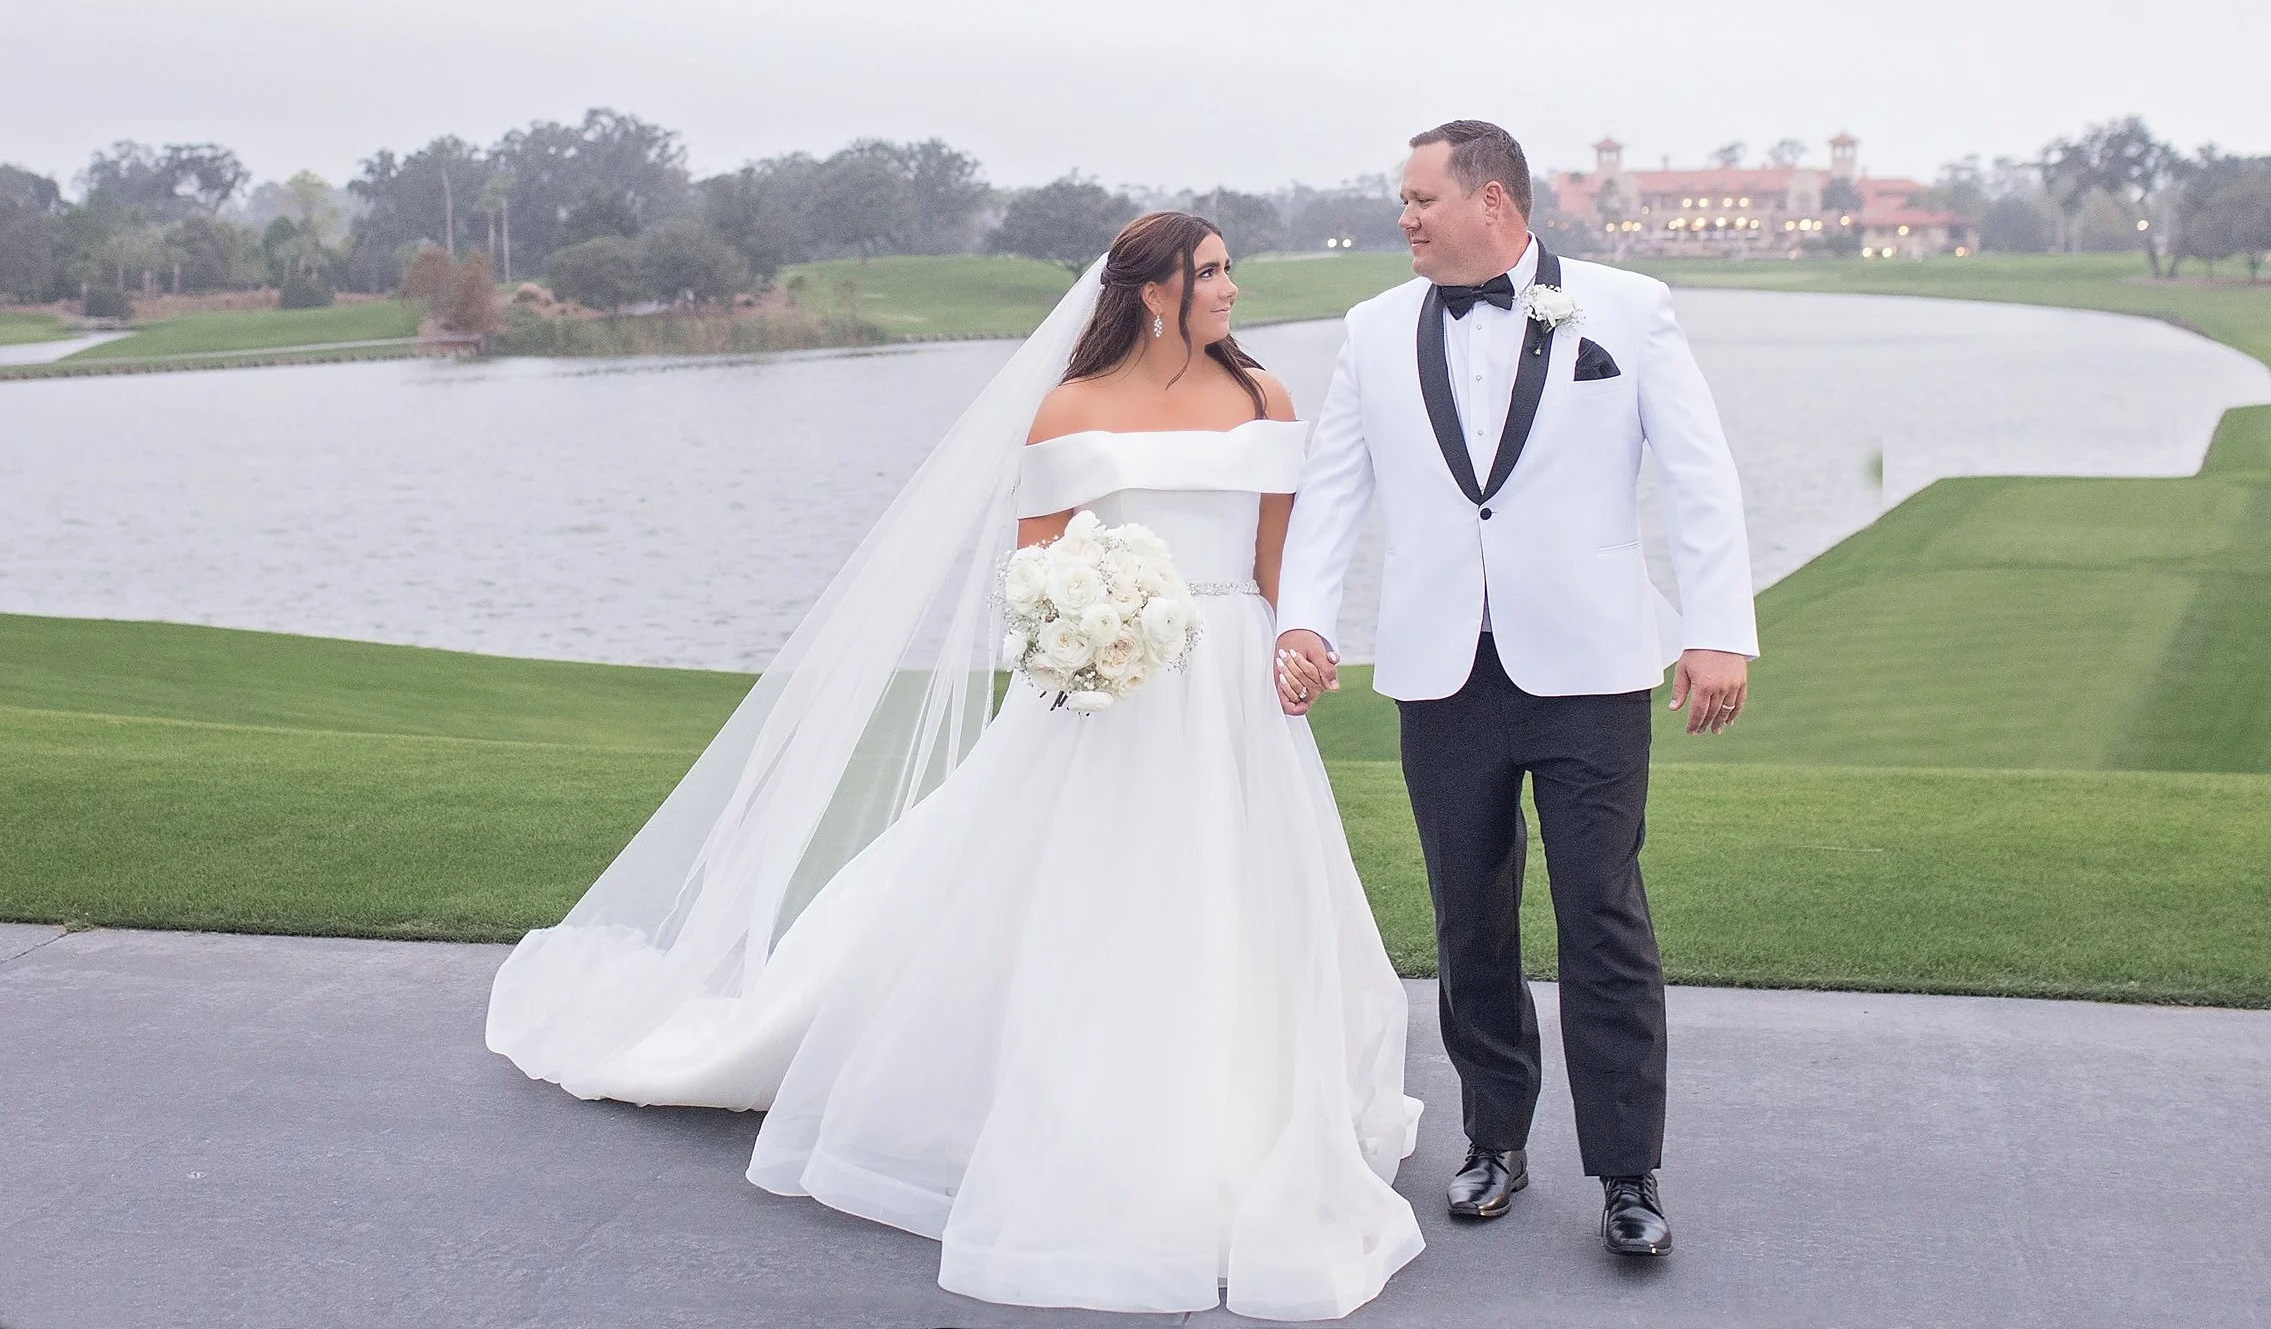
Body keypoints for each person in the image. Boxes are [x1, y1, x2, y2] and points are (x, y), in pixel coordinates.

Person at [488, 212, 1424, 1320]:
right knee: (1102, 901)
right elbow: (1035, 584)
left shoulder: (1265, 396)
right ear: (1157, 291)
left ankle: (1249, 1100)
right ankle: (1095, 1110)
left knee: (1242, 894)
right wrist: (1089, 637)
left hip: (1231, 693)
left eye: (1227, 267)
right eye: (1211, 270)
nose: (1232, 285)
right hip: (1118, 694)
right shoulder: (1068, 409)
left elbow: (1279, 561)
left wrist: (1294, 646)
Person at [1273, 120, 1757, 1260]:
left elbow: (1698, 473)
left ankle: (1628, 1170)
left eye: (1418, 197)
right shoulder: (1372, 330)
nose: (1403, 216)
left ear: (1491, 201)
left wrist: (1718, 630)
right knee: (1467, 919)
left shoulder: (1627, 311)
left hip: (1590, 671)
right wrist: (1302, 615)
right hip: (1443, 675)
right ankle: (1493, 1137)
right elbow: (1332, 489)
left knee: (1602, 915)